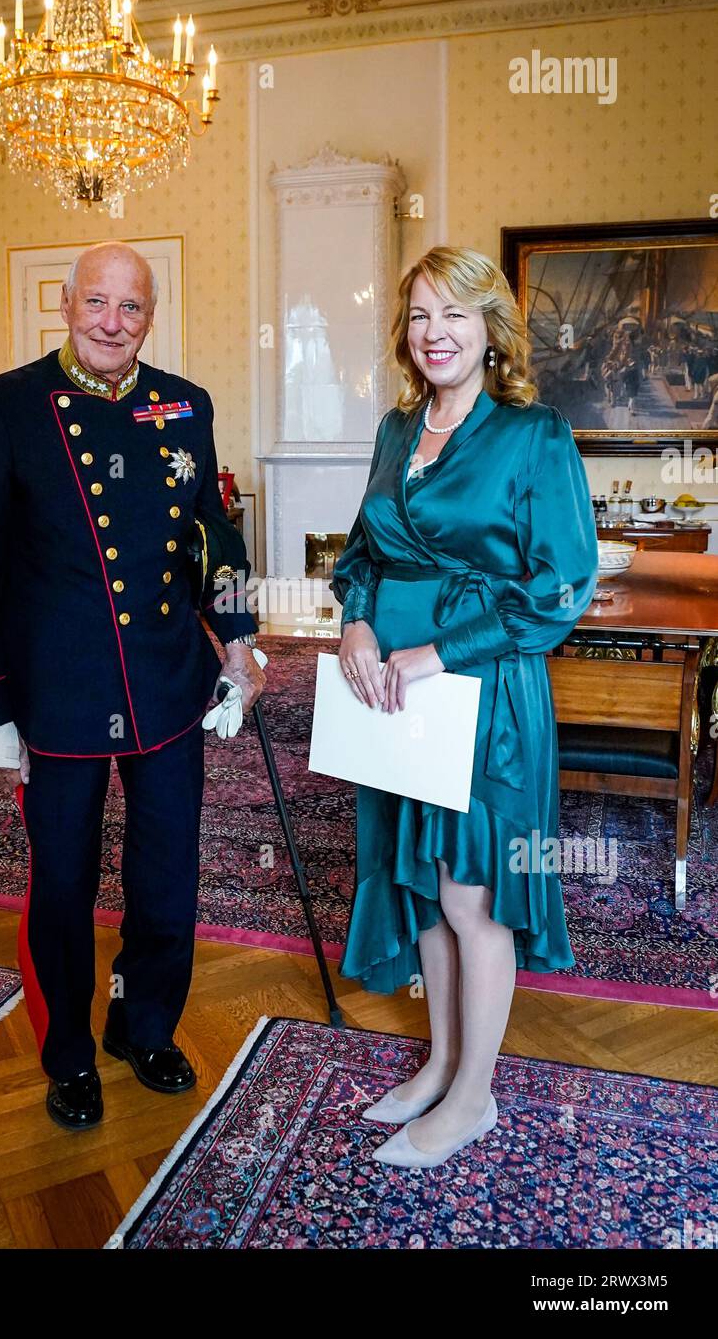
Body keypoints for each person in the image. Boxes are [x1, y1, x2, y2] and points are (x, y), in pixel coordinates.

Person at [0, 241, 264, 1129]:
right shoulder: (4, 409)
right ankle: (68, 1053)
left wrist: (238, 645)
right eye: (97, 303)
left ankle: (145, 1026)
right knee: (63, 884)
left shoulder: (184, 404)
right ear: (67, 306)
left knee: (166, 876)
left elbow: (214, 539)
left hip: (168, 684)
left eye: (132, 307)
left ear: (149, 316)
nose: (112, 322)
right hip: (58, 696)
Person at [332, 245, 598, 1170]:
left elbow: (562, 586)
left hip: (485, 697)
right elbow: (363, 553)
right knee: (427, 893)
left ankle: (475, 1099)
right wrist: (358, 626)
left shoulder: (535, 436)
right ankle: (443, 1064)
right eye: (418, 315)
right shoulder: (395, 432)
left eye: (454, 313)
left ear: (491, 329)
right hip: (395, 700)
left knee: (469, 897)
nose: (433, 332)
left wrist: (439, 650)